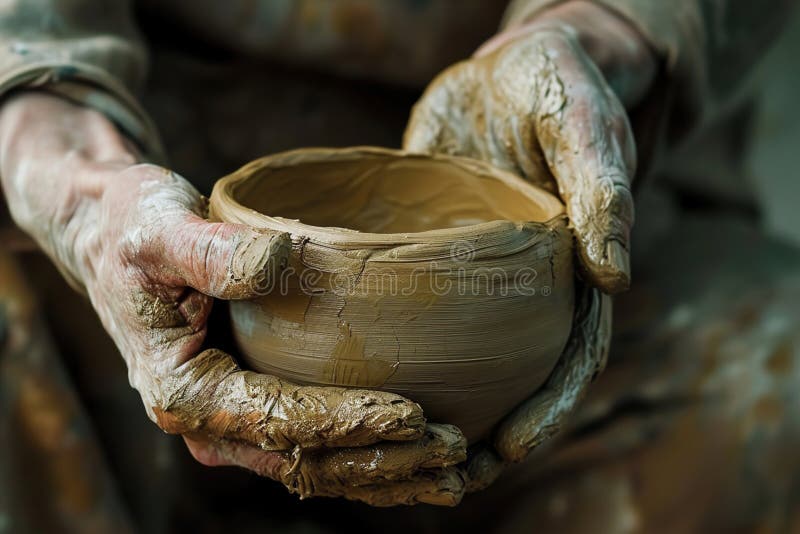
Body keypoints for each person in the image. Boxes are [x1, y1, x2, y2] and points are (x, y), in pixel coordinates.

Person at [0, 0, 797, 532]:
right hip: (155, 231)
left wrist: (591, 31)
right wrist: (80, 191)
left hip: (538, 162)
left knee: (780, 388)